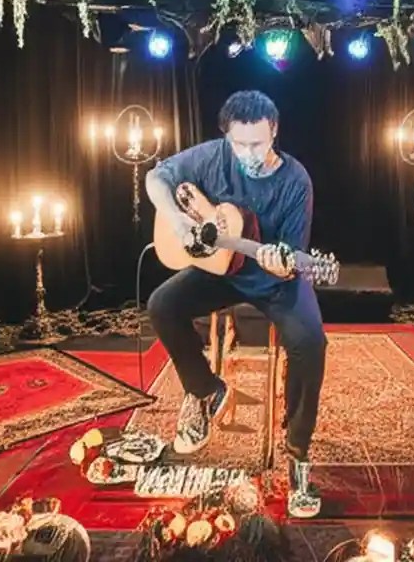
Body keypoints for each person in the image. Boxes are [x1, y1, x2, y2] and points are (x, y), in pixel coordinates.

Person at [144, 90, 326, 519]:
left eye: (258, 144)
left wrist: (277, 262)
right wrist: (175, 220)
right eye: (239, 144)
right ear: (226, 136)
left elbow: (292, 261)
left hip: (275, 281)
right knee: (161, 304)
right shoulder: (212, 156)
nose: (247, 154)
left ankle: (298, 452)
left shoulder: (295, 181)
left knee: (311, 343)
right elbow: (157, 178)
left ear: (274, 131)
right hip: (222, 270)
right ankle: (207, 391)